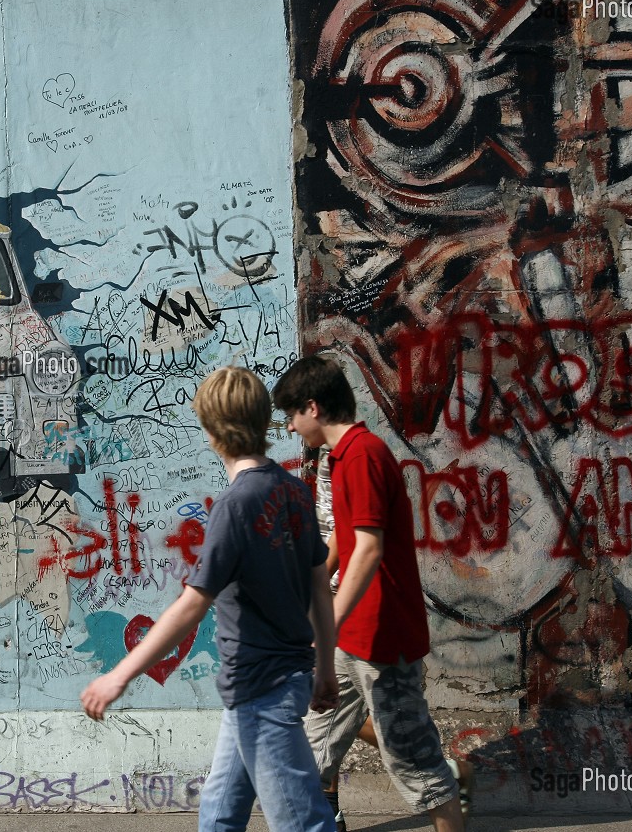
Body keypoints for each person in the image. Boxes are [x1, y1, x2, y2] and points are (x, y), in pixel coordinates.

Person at [81, 366, 338, 832]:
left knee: (304, 825)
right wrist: (325, 668)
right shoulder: (294, 491)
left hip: (262, 688)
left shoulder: (235, 505)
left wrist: (119, 675)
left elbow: (192, 605)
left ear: (212, 432)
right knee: (219, 816)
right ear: (264, 421)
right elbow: (320, 583)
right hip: (268, 684)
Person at [272, 356, 465, 832]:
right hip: (349, 637)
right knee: (312, 751)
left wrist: (328, 621)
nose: (293, 428)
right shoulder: (339, 458)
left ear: (312, 408)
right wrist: (315, 588)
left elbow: (371, 549)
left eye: (292, 416)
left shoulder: (362, 454)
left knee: (417, 767)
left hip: (383, 637)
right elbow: (345, 538)